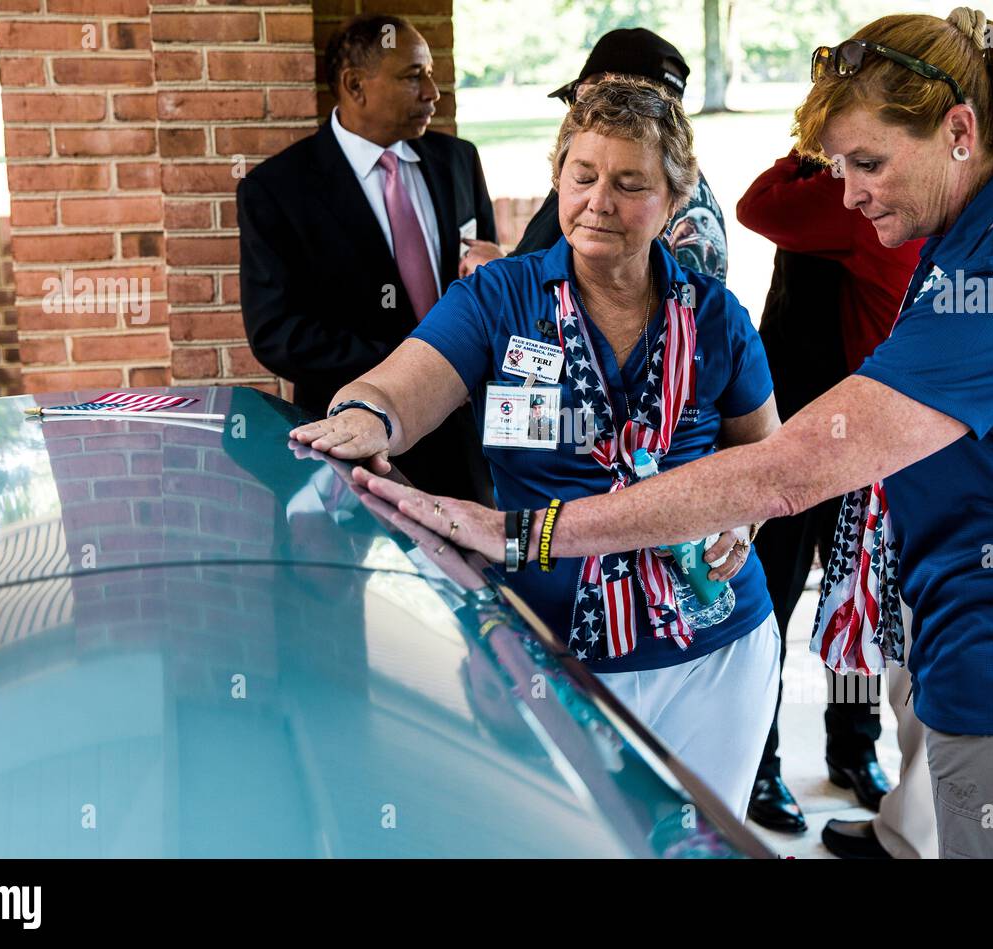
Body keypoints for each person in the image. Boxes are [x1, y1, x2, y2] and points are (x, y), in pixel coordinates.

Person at [365, 8, 993, 859]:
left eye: (867, 163)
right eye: (581, 175)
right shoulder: (983, 234)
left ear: (960, 131)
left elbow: (780, 470)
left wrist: (520, 531)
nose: (849, 194)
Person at [290, 76, 782, 820]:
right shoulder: (501, 299)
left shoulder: (714, 317)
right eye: (582, 176)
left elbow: (765, 460)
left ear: (675, 200)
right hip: (555, 651)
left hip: (712, 648)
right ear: (557, 179)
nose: (599, 202)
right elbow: (396, 392)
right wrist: (362, 418)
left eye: (630, 183)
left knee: (702, 839)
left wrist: (741, 523)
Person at [738, 152, 925, 831]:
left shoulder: (860, 199)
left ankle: (852, 747)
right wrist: (812, 156)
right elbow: (760, 207)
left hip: (860, 444)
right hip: (790, 438)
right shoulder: (834, 196)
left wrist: (812, 158)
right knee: (772, 607)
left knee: (855, 604)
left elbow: (762, 203)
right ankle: (759, 763)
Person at [238, 13, 495, 504]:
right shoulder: (278, 190)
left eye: (430, 74)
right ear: (355, 85)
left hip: (464, 442)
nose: (432, 92)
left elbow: (483, 288)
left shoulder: (458, 161)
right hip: (352, 442)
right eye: (412, 75)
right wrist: (416, 370)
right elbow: (277, 335)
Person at [460, 29, 729, 283]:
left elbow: (551, 293)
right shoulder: (687, 185)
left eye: (584, 96)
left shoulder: (601, 195)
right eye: (584, 178)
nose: (576, 114)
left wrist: (496, 269)